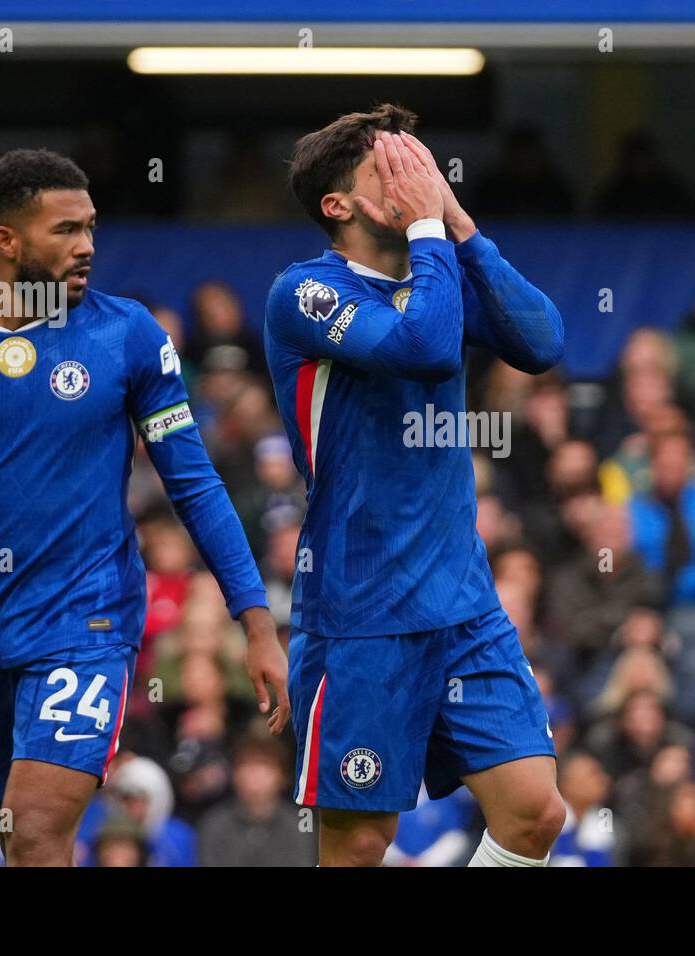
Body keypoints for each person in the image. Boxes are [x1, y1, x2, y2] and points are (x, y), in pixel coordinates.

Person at [0, 148, 288, 866]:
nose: (88, 245)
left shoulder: (126, 335)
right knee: (19, 842)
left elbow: (194, 483)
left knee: (34, 829)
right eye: (66, 230)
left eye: (91, 227)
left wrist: (254, 618)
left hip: (88, 622)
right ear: (6, 240)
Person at [265, 104, 567, 866]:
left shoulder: (439, 265)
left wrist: (459, 226)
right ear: (339, 205)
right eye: (392, 171)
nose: (419, 182)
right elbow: (425, 347)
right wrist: (432, 235)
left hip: (464, 602)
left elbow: (543, 342)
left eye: (422, 165)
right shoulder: (303, 293)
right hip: (360, 611)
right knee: (362, 841)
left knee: (534, 814)